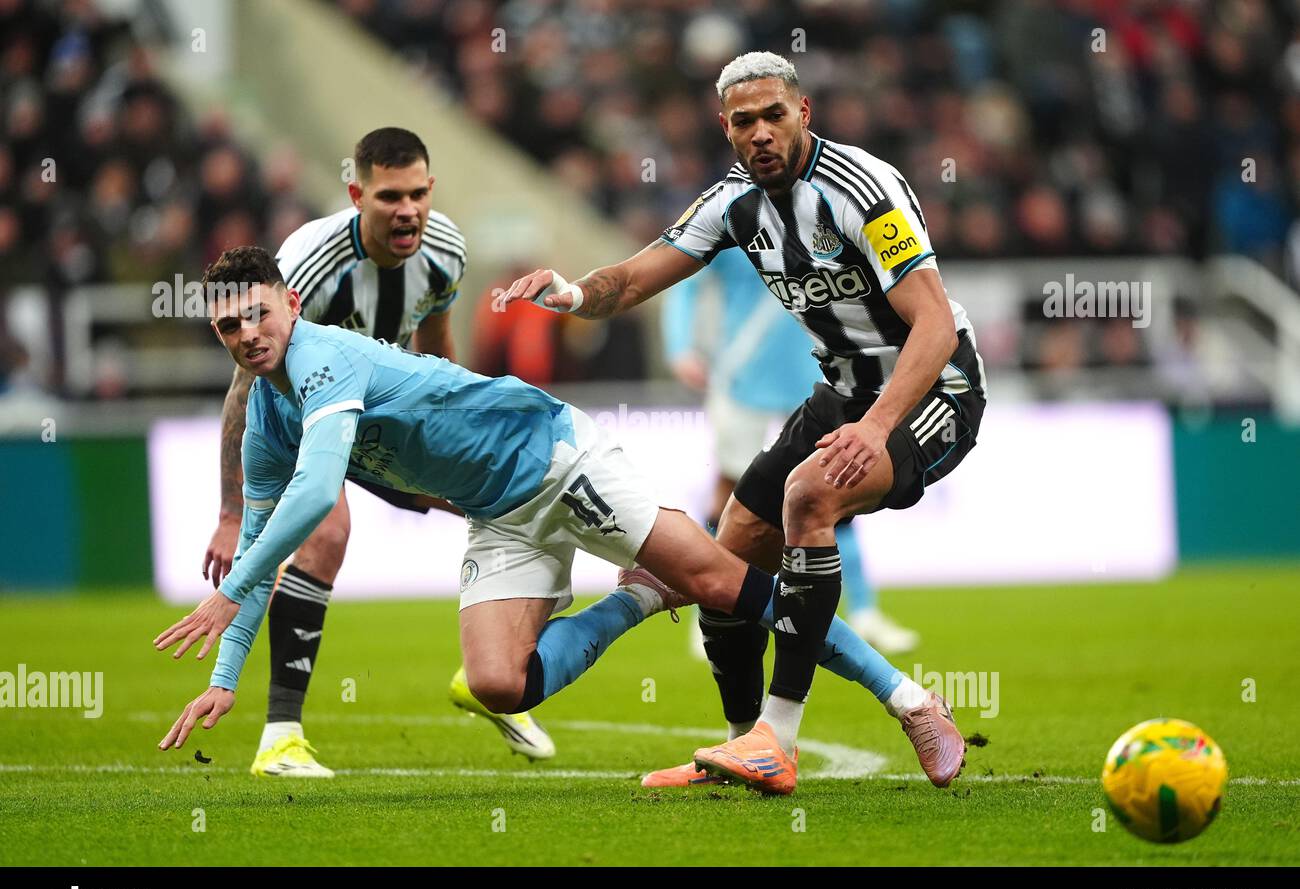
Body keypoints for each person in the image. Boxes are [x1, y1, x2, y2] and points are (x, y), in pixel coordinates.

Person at [154, 247, 960, 799]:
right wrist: (225, 677)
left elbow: (311, 495)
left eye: (257, 315)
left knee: (719, 580)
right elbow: (268, 537)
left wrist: (233, 593)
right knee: (498, 684)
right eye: (229, 327)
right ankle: (636, 600)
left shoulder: (324, 359)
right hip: (497, 513)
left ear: (289, 304)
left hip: (556, 460)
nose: (248, 335)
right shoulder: (266, 419)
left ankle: (908, 701)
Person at [496, 51, 985, 793]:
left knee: (808, 498)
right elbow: (632, 277)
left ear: (804, 114)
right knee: (721, 567)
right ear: (725, 128)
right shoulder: (732, 203)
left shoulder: (863, 188)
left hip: (931, 393)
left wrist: (875, 427)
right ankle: (738, 748)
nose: (761, 133)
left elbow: (936, 326)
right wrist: (570, 293)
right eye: (745, 121)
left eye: (774, 116)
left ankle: (779, 740)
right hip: (843, 393)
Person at [199, 127, 554, 777]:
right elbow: (245, 385)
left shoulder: (444, 247)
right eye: (390, 196)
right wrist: (230, 512)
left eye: (418, 194)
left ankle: (494, 675)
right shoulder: (306, 263)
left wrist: (470, 435)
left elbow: (438, 339)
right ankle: (281, 737)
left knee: (520, 504)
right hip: (310, 421)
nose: (408, 211)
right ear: (357, 194)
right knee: (325, 528)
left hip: (387, 420)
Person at [662, 245, 919, 657]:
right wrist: (679, 347)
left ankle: (866, 611)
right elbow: (685, 284)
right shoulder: (736, 221)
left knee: (834, 484)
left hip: (813, 377)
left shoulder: (814, 217)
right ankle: (706, 610)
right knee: (731, 492)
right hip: (741, 379)